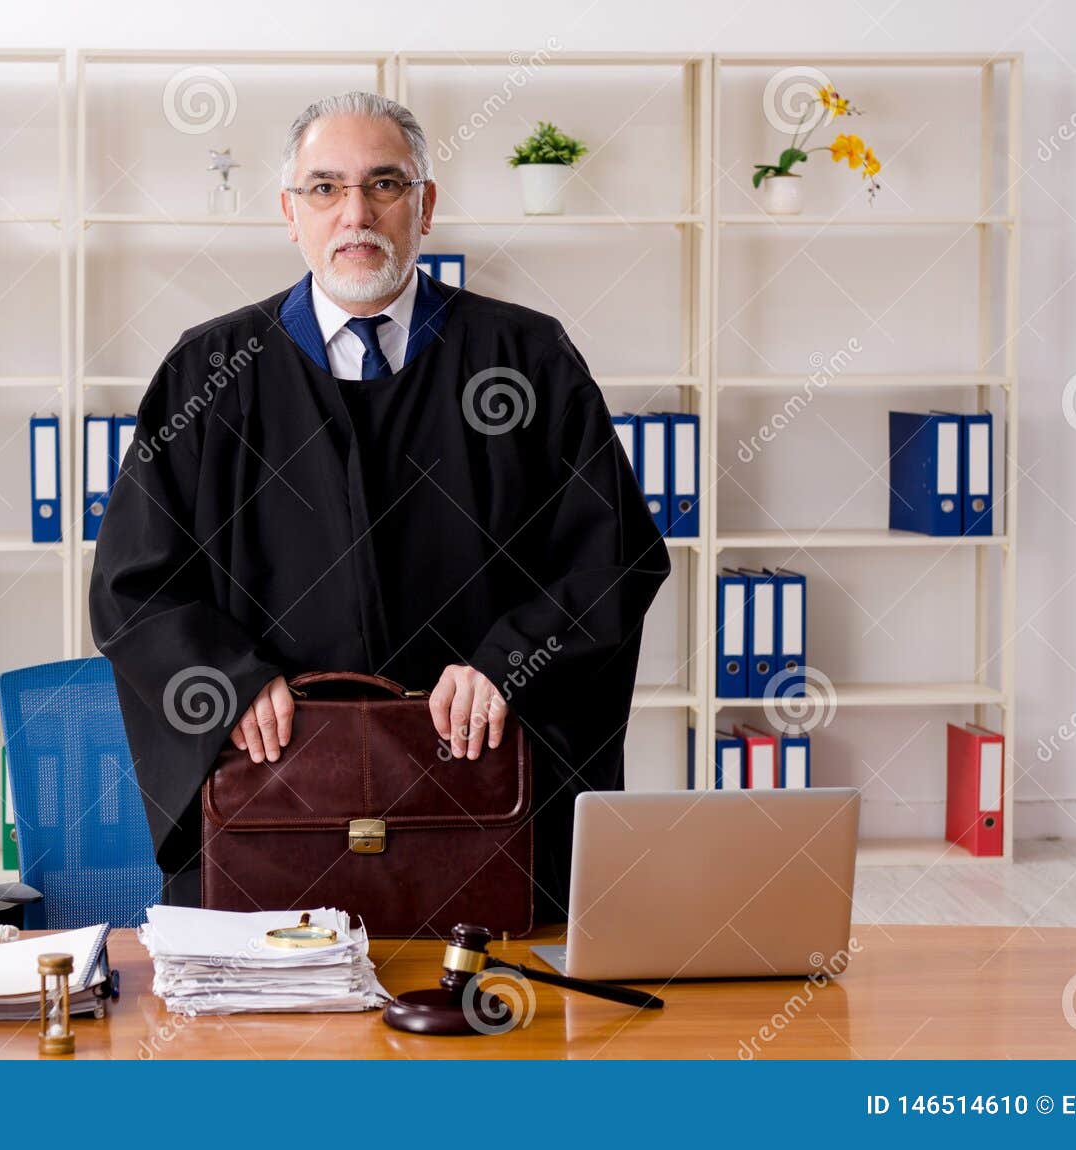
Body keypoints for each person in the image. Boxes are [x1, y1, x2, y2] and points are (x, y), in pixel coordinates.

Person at [89, 91, 670, 914]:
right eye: (324, 188)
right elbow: (131, 584)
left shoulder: (525, 359)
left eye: (384, 185)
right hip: (276, 791)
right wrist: (228, 682)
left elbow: (612, 558)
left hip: (480, 786)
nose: (354, 213)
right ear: (290, 213)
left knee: (494, 1025)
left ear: (425, 207)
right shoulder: (209, 374)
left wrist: (511, 665)